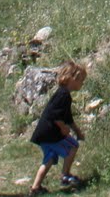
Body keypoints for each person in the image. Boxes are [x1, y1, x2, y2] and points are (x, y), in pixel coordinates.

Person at [29, 60, 87, 194]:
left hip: (43, 133)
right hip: (52, 133)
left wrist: (77, 130)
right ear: (72, 79)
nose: (82, 83)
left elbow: (67, 117)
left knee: (49, 158)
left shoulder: (61, 93)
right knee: (73, 145)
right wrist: (63, 129)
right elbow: (55, 115)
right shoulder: (64, 95)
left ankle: (35, 187)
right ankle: (65, 175)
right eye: (81, 80)